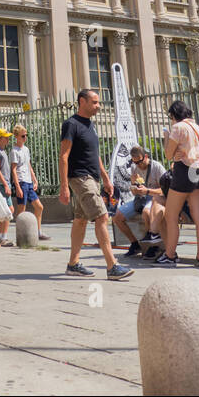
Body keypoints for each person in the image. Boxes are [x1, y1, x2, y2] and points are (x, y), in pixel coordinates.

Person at [59, 89, 133, 280]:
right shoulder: (71, 124)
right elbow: (64, 156)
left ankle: (73, 263)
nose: (98, 106)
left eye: (99, 102)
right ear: (82, 101)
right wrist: (64, 186)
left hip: (93, 178)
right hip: (80, 178)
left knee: (81, 220)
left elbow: (95, 155)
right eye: (94, 102)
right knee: (101, 216)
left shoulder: (90, 125)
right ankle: (112, 266)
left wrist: (106, 178)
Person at [157, 100, 199, 267]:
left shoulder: (178, 127)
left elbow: (168, 154)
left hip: (184, 170)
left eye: (171, 116)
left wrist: (166, 137)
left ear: (174, 115)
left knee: (170, 215)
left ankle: (170, 254)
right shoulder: (196, 127)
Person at [112, 146, 166, 257]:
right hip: (141, 198)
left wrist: (147, 191)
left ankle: (153, 245)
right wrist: (133, 186)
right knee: (117, 217)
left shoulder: (157, 167)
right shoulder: (134, 168)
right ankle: (134, 244)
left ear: (145, 156)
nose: (138, 165)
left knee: (146, 212)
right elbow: (134, 192)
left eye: (140, 162)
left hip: (156, 198)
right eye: (134, 162)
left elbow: (165, 190)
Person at [9, 124, 49, 240]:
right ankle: (21, 235)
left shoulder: (26, 149)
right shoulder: (14, 151)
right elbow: (13, 169)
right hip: (21, 182)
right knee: (22, 210)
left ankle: (38, 232)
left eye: (26, 135)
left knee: (39, 207)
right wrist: (17, 186)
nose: (25, 137)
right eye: (22, 136)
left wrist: (35, 179)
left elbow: (29, 165)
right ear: (16, 136)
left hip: (29, 182)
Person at [0, 130, 14, 246]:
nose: (8, 139)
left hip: (5, 183)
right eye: (6, 137)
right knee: (8, 210)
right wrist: (5, 184)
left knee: (4, 211)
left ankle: (0, 237)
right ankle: (2, 237)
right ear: (0, 138)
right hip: (2, 184)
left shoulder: (2, 151)